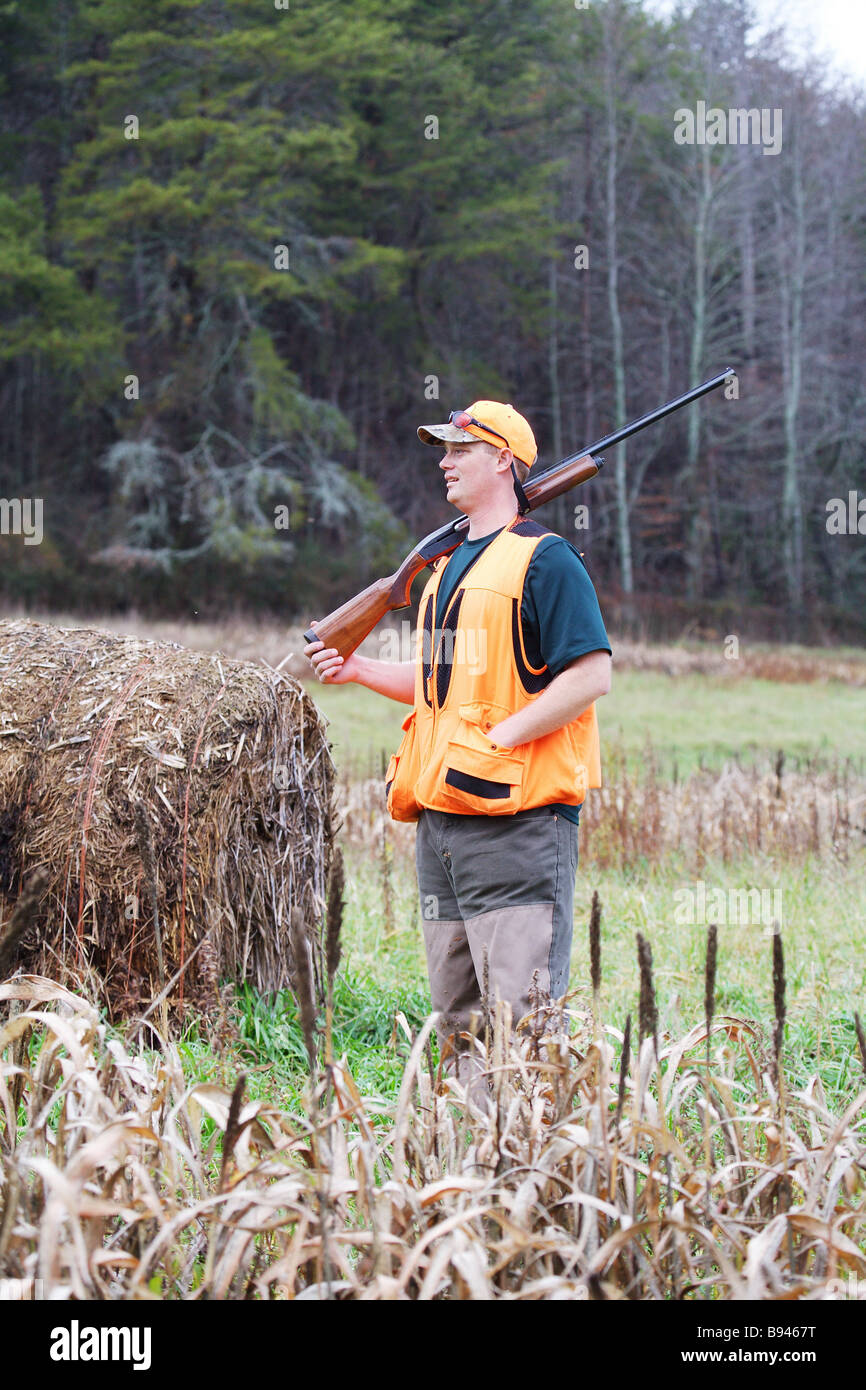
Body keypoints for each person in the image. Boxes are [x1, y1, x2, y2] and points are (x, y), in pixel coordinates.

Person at [305, 401, 611, 1086]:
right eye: (442, 451)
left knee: (523, 1020)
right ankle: (469, 1175)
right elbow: (441, 685)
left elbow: (591, 674)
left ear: (503, 459)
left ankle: (533, 1175)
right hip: (442, 826)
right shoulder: (445, 572)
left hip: (518, 825)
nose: (444, 462)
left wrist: (499, 740)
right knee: (457, 1020)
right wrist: (357, 669)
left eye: (459, 450)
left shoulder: (546, 560)